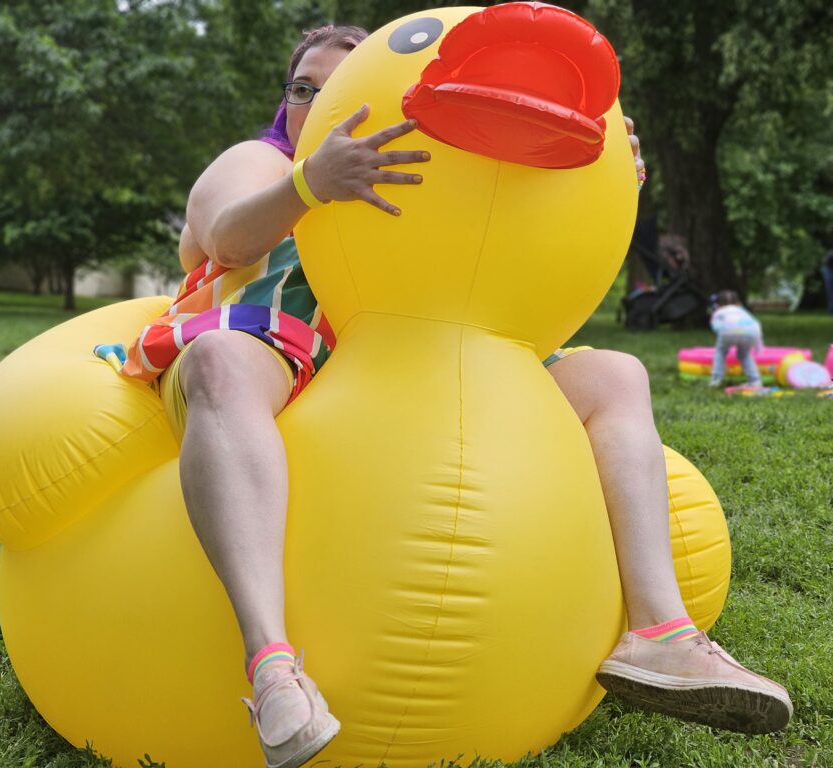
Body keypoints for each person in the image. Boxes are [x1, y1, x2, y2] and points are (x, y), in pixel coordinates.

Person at [104, 24, 792, 768]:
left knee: (616, 375)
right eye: (304, 88)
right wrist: (311, 182)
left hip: (425, 348)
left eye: (336, 85)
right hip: (281, 332)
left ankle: (660, 635)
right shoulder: (260, 158)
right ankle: (272, 666)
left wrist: (604, 178)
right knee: (220, 365)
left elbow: (518, 239)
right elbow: (227, 239)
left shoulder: (422, 155)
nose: (317, 101)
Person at [708, 290, 763, 388]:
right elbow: (754, 323)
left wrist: (721, 330)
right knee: (744, 354)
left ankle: (715, 380)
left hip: (728, 331)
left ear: (718, 304)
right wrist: (758, 346)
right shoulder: (742, 310)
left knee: (720, 351)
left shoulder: (719, 311)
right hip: (751, 332)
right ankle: (755, 380)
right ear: (738, 303)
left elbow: (715, 326)